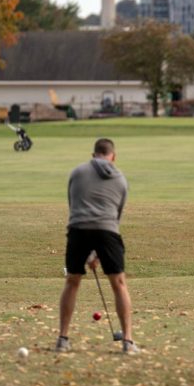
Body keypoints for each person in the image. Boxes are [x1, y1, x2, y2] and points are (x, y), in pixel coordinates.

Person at [56, 138, 139, 354]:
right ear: (114, 156)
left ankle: (63, 339)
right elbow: (115, 218)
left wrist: (89, 252)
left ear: (94, 155)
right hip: (107, 232)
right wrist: (98, 253)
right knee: (119, 283)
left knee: (72, 280)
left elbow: (73, 206)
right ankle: (128, 342)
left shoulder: (77, 172)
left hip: (78, 229)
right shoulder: (121, 179)